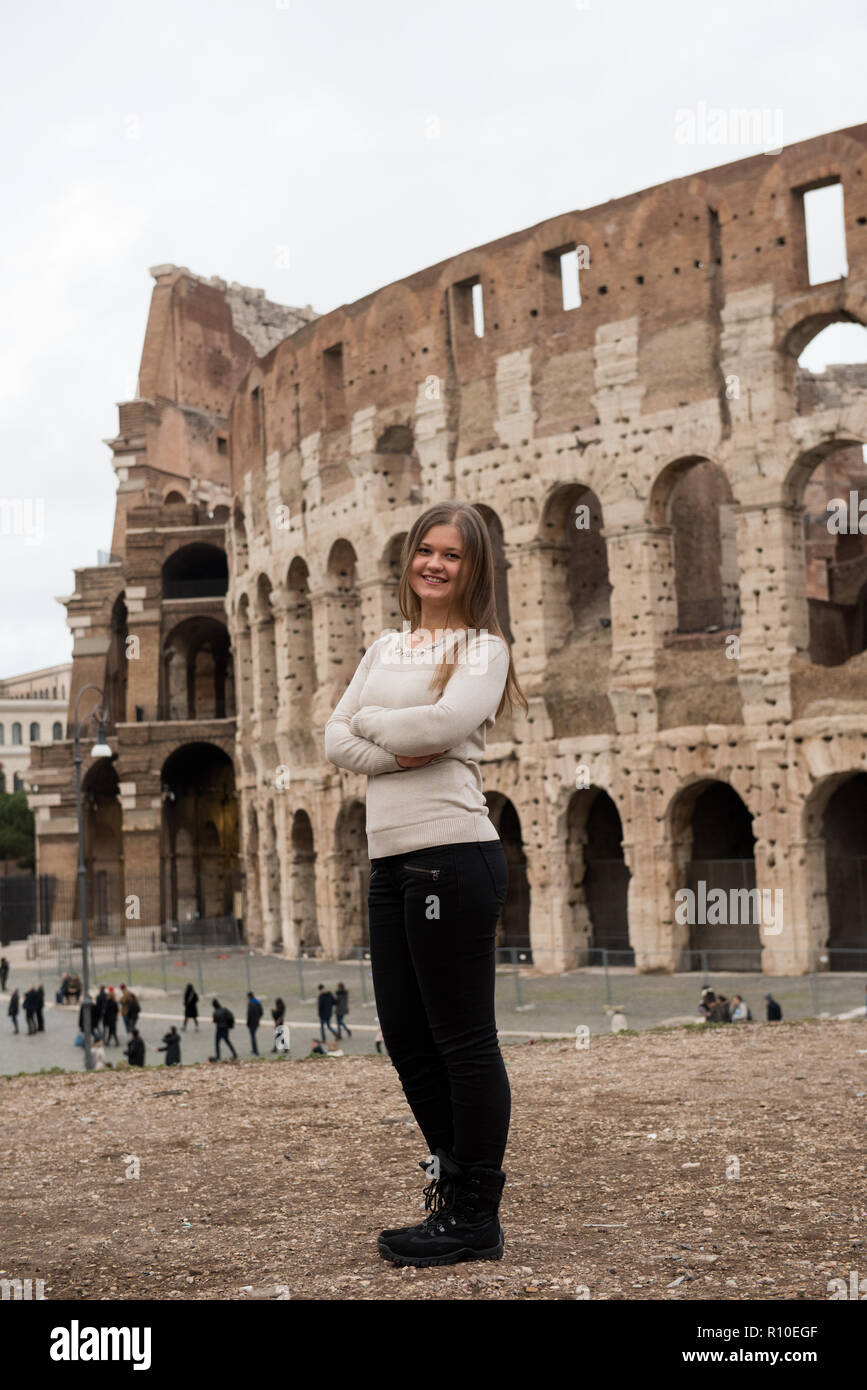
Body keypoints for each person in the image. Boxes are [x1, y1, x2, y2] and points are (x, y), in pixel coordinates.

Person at [325, 501, 525, 1267]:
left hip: (453, 855)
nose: (435, 565)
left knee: (463, 1041)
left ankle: (476, 1214)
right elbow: (331, 738)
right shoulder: (386, 644)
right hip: (390, 863)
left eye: (453, 555)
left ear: (474, 570)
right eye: (425, 551)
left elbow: (437, 729)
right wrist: (390, 738)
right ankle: (450, 1189)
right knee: (408, 1039)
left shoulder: (483, 650)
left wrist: (375, 724)